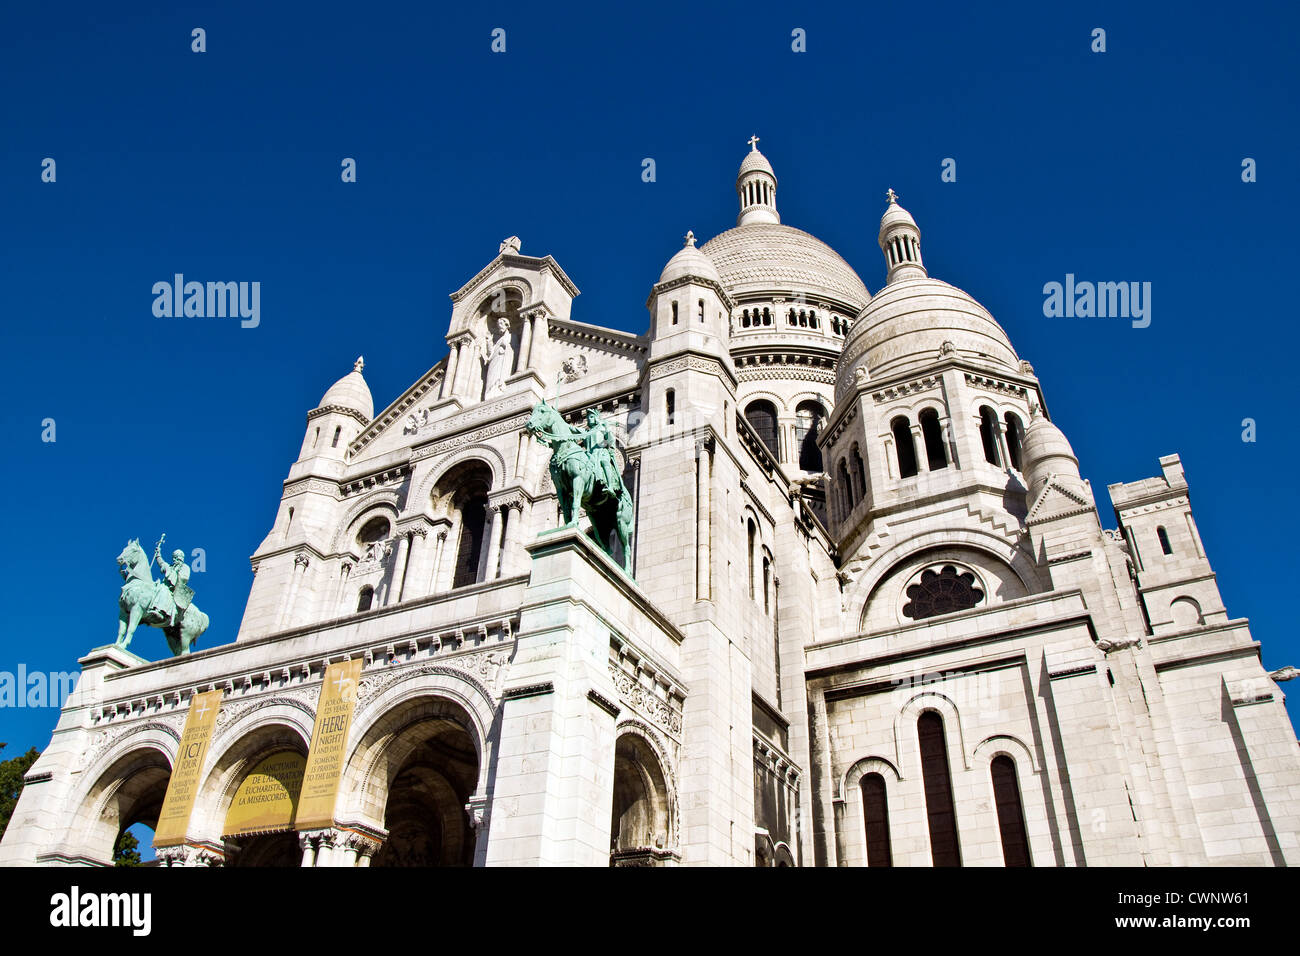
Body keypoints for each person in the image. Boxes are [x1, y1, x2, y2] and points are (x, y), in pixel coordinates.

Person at [577, 408, 622, 498]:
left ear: (597, 418)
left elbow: (610, 440)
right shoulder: (586, 432)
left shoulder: (601, 428)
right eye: (588, 417)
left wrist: (607, 429)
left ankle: (610, 486)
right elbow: (574, 431)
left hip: (601, 452)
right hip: (590, 455)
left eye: (592, 416)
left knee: (604, 461)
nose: (589, 419)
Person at [154, 546, 193, 627]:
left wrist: (175, 573)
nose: (176, 560)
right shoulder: (170, 567)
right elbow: (162, 563)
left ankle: (160, 611)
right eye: (175, 558)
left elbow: (185, 578)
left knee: (163, 589)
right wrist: (158, 554)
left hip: (175, 589)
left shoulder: (185, 567)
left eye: (178, 558)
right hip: (165, 585)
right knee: (156, 587)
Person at [481, 317, 514, 397]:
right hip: (494, 363)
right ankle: (490, 393)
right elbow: (490, 354)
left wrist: (506, 345)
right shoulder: (498, 341)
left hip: (503, 362)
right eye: (498, 325)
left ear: (507, 325)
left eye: (501, 324)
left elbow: (514, 349)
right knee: (491, 379)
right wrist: (489, 341)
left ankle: (499, 390)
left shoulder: (511, 337)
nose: (499, 327)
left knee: (499, 379)